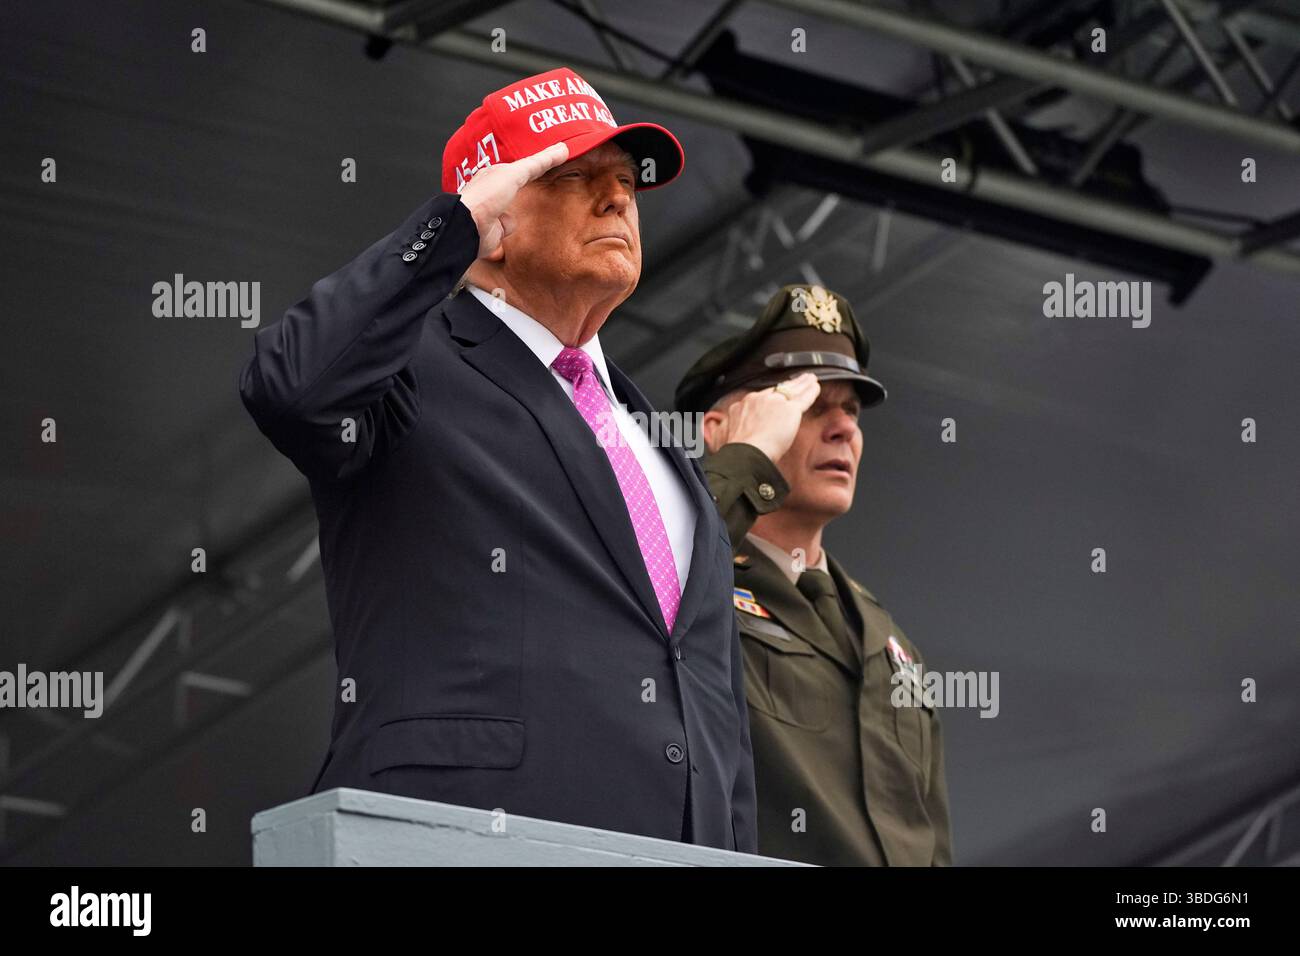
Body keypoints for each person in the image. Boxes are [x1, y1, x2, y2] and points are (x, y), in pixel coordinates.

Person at [239, 67, 756, 852]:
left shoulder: (648, 431)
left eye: (624, 180)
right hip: (464, 837)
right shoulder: (408, 367)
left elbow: (709, 695)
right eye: (576, 175)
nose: (618, 197)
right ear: (494, 215)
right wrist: (452, 231)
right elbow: (291, 387)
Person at [675, 284, 952, 865]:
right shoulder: (689, 585)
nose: (843, 429)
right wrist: (740, 462)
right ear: (724, 425)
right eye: (809, 405)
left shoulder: (890, 642)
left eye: (851, 410)